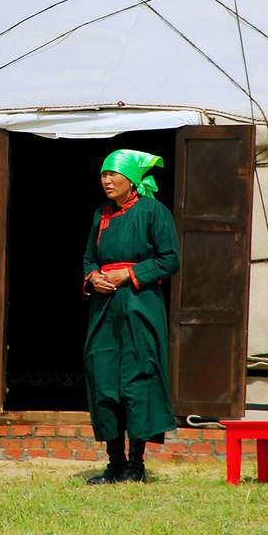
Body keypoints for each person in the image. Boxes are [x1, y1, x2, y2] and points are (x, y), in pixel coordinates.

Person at [81, 149, 180, 484]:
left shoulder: (155, 212)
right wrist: (93, 277)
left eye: (114, 175)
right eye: (104, 175)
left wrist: (128, 275)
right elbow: (88, 258)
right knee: (104, 377)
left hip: (140, 306)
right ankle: (114, 463)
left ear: (132, 179)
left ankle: (136, 464)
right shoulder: (100, 214)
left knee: (139, 378)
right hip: (105, 308)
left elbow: (170, 259)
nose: (107, 181)